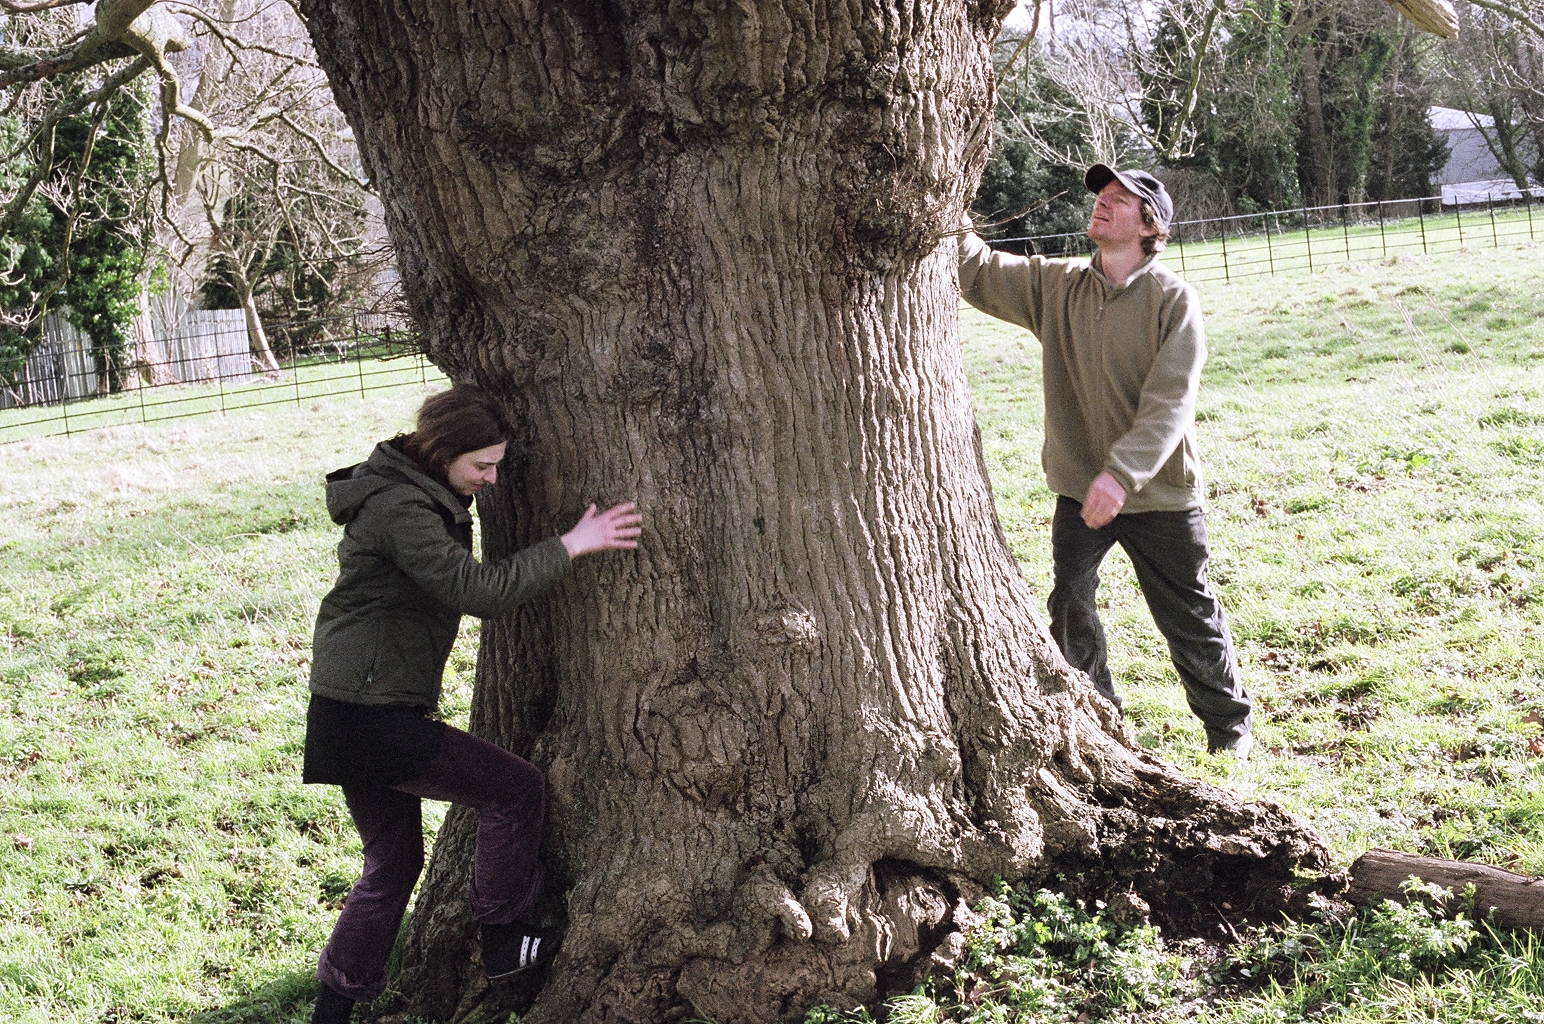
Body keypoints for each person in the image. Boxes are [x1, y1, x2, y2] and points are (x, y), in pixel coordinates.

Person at [302, 385, 642, 1024]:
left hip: (348, 711)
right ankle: (504, 942)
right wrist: (574, 543)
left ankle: (331, 1012)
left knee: (393, 865)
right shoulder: (401, 508)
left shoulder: (411, 488)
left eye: (497, 466)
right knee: (514, 790)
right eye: (481, 466)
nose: (491, 479)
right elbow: (476, 590)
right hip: (371, 718)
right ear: (440, 450)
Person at [957, 164, 1252, 759]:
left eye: (1119, 200)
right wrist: (945, 205)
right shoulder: (1059, 285)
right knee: (1070, 601)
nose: (1102, 205)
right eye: (1101, 197)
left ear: (1150, 224)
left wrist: (1120, 475)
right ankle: (1102, 721)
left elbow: (1172, 401)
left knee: (1187, 614)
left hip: (1159, 493)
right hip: (1078, 489)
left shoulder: (1173, 301)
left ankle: (1229, 729)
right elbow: (980, 271)